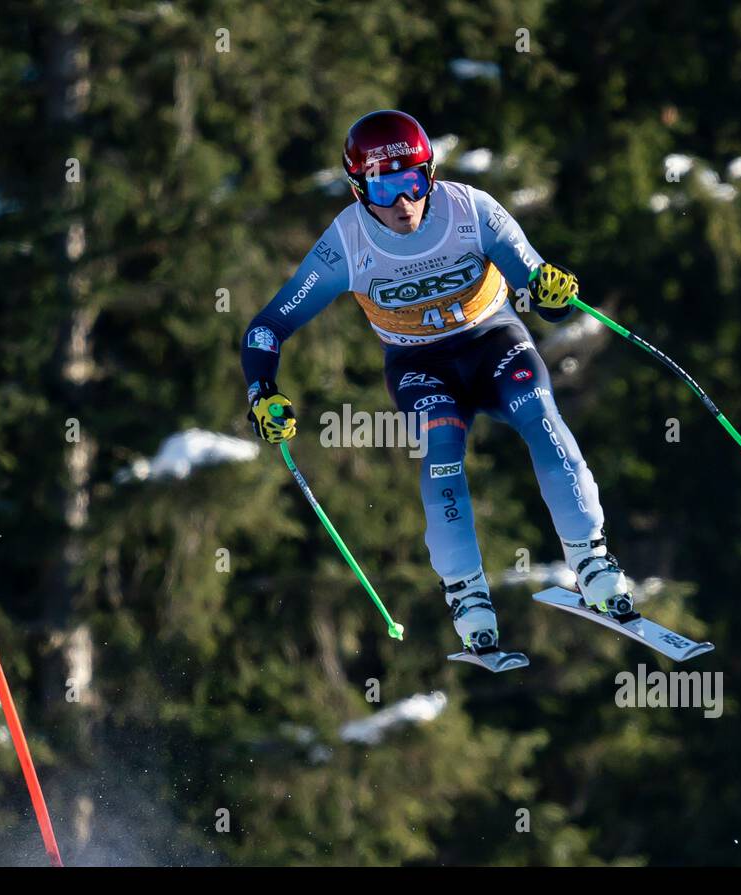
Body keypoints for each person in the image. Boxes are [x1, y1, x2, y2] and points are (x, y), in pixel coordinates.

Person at [241, 109, 632, 665]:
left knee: (540, 417)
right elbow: (267, 326)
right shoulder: (346, 244)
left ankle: (591, 560)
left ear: (430, 174)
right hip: (418, 363)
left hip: (493, 341)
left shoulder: (471, 211)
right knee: (442, 452)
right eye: (385, 186)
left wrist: (549, 290)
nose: (404, 202)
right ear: (358, 188)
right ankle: (468, 596)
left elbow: (538, 288)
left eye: (414, 181)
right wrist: (262, 391)